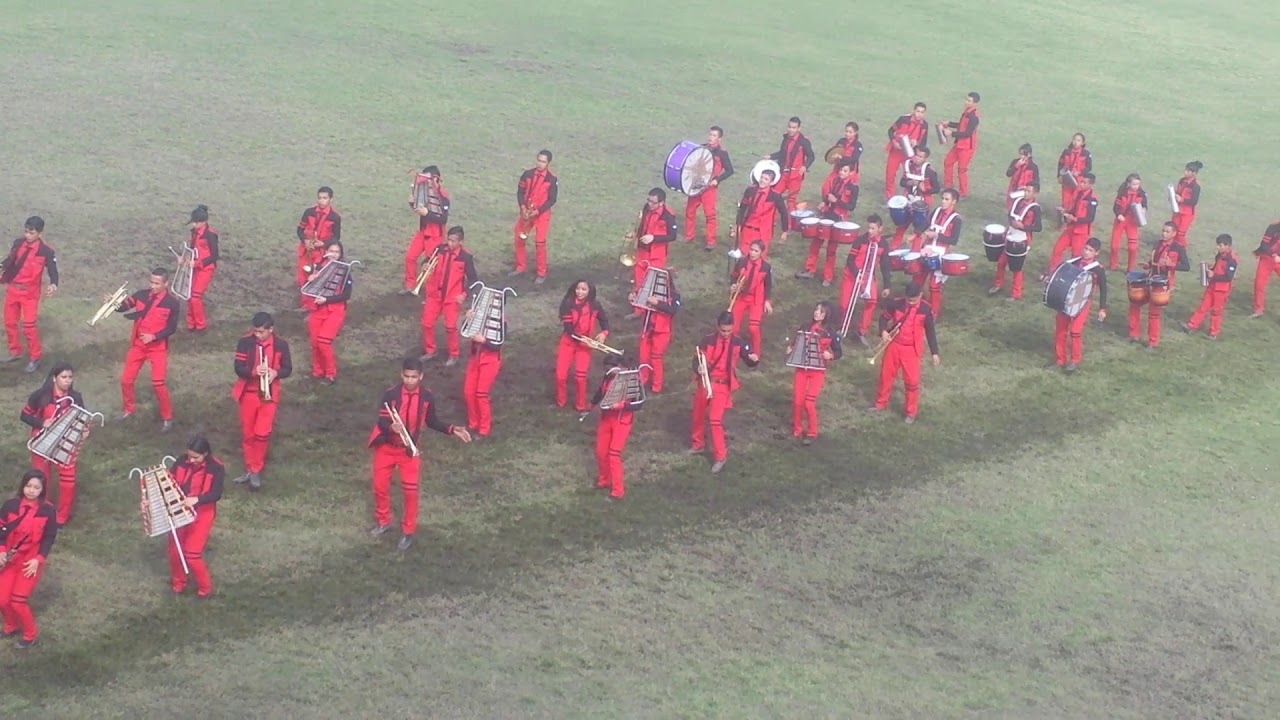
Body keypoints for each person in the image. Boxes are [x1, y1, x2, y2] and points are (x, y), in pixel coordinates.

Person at [367, 357, 471, 551]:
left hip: (409, 451)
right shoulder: (390, 394)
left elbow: (431, 421)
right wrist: (391, 426)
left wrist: (451, 429)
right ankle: (383, 521)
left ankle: (408, 531)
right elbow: (381, 421)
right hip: (386, 448)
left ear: (421, 377)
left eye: (413, 377)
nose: (409, 380)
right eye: (406, 376)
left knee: (410, 492)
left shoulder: (427, 397)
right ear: (401, 375)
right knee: (380, 487)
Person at [689, 311, 760, 473]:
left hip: (722, 386)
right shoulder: (707, 340)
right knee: (698, 414)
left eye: (729, 330)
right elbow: (697, 359)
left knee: (714, 419)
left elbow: (749, 359)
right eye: (723, 331)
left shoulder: (738, 343)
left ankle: (721, 455)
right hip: (706, 382)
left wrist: (754, 360)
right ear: (718, 327)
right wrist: (698, 368)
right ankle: (697, 444)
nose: (726, 334)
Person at [230, 312, 291, 491]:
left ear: (271, 330)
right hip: (248, 393)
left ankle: (256, 468)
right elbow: (238, 368)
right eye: (255, 331)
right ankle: (250, 468)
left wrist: (275, 373)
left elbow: (288, 368)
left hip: (268, 394)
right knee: (248, 434)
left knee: (262, 433)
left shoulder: (281, 345)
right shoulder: (245, 342)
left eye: (261, 332)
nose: (258, 335)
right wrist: (254, 371)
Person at [20, 364, 87, 526]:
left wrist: (84, 430)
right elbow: (24, 415)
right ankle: (43, 508)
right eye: (64, 377)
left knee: (67, 480)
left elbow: (82, 418)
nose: (67, 381)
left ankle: (62, 516)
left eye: (70, 377)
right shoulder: (40, 396)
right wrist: (42, 422)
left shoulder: (76, 398)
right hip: (42, 440)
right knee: (42, 477)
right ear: (54, 378)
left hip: (66, 442)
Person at [117, 268, 179, 432]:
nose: (153, 286)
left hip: (157, 349)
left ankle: (167, 418)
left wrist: (155, 336)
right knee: (126, 380)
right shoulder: (141, 295)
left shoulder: (172, 303)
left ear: (166, 284)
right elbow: (123, 307)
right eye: (152, 282)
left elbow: (172, 328)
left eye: (157, 283)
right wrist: (114, 303)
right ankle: (128, 409)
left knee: (158, 384)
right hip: (138, 346)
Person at [0, 469, 57, 648]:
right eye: (28, 486)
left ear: (42, 490)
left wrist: (38, 559)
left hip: (30, 562)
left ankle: (30, 635)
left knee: (17, 601)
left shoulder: (48, 511)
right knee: (2, 599)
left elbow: (49, 537)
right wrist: (1, 551)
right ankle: (11, 626)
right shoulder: (10, 505)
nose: (31, 490)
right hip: (10, 559)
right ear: (23, 486)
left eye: (36, 487)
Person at [870, 282, 940, 423]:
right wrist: (883, 331)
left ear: (920, 295)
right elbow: (884, 318)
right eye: (909, 300)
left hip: (911, 349)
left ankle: (910, 412)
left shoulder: (926, 310)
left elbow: (930, 331)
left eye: (914, 300)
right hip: (894, 345)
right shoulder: (896, 304)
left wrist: (935, 353)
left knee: (912, 382)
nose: (911, 302)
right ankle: (880, 404)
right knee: (886, 376)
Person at [166, 434, 224, 598]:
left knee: (192, 554)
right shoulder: (181, 461)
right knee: (175, 551)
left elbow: (216, 494)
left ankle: (205, 589)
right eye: (189, 456)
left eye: (195, 457)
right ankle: (179, 583)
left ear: (205, 454)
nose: (191, 460)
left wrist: (197, 499)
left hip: (202, 514)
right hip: (179, 511)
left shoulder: (216, 467)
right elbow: (170, 481)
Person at [0, 216, 58, 374]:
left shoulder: (46, 251)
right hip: (13, 290)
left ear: (39, 233)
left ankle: (35, 357)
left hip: (29, 294)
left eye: (31, 233)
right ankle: (15, 351)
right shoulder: (18, 243)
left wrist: (54, 283)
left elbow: (52, 269)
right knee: (10, 322)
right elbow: (11, 260)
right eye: (26, 232)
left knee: (29, 326)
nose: (27, 236)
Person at [420, 226, 478, 367]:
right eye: (449, 239)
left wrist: (464, 294)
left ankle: (454, 354)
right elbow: (427, 260)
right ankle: (430, 350)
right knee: (426, 323)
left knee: (451, 327)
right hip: (435, 295)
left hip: (452, 298)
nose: (450, 243)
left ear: (460, 241)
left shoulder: (466, 257)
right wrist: (425, 265)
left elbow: (474, 280)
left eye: (453, 241)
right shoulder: (439, 249)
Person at [590, 355, 644, 500]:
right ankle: (604, 479)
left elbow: (639, 404)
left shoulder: (633, 382)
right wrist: (590, 406)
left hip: (622, 421)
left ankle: (618, 491)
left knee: (614, 454)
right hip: (606, 418)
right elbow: (600, 393)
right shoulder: (608, 377)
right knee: (601, 452)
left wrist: (622, 406)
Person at [1050, 238, 1108, 373]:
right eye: (1086, 249)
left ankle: (1075, 360)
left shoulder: (1098, 269)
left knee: (1075, 331)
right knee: (1060, 330)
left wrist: (1102, 308)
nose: (1087, 253)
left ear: (1097, 253)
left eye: (1091, 251)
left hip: (1083, 303)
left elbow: (1103, 289)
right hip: (1066, 299)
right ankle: (1060, 360)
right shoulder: (1074, 262)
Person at [1128, 223, 1189, 350]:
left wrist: (1172, 264)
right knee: (1135, 304)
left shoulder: (1178, 248)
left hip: (1163, 284)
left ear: (1174, 233)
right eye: (1163, 231)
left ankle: (1153, 342)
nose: (1164, 234)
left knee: (1154, 313)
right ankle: (1134, 334)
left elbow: (1186, 266)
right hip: (1150, 278)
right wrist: (1148, 265)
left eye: (1167, 232)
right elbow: (1155, 260)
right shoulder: (1158, 243)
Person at [797, 159, 858, 286]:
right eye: (841, 170)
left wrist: (836, 201)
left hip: (838, 218)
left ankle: (828, 277)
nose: (841, 172)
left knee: (831, 249)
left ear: (851, 172)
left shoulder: (853, 187)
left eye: (845, 170)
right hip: (827, 214)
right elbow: (829, 195)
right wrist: (825, 201)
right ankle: (810, 269)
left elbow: (851, 206)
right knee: (816, 243)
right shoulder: (835, 181)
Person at [788, 301, 842, 444]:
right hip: (801, 368)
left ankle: (812, 432)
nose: (817, 312)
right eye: (816, 309)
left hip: (817, 371)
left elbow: (838, 352)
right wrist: (791, 347)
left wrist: (830, 356)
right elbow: (796, 341)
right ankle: (797, 429)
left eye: (821, 311)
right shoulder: (805, 326)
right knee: (798, 401)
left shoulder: (830, 331)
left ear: (826, 315)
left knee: (809, 402)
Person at [555, 280, 610, 412]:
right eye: (578, 289)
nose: (579, 292)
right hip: (569, 342)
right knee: (560, 375)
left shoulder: (595, 305)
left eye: (583, 289)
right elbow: (568, 329)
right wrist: (583, 340)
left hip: (584, 344)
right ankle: (560, 401)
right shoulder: (567, 304)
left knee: (581, 377)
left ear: (589, 291)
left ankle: (580, 405)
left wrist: (604, 333)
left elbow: (604, 320)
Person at [839, 215, 893, 346]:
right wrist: (857, 274)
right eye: (869, 228)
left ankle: (861, 331)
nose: (870, 231)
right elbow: (850, 260)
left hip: (868, 277)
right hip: (852, 275)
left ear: (880, 228)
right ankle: (840, 328)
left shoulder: (883, 245)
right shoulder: (860, 240)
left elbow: (885, 266)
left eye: (873, 228)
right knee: (844, 304)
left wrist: (887, 285)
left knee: (871, 301)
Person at [910, 189, 962, 319]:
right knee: (918, 279)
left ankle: (933, 313)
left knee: (934, 285)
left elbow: (953, 240)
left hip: (941, 253)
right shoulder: (936, 211)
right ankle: (914, 306)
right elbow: (925, 225)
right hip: (927, 249)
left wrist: (937, 236)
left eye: (947, 199)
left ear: (953, 202)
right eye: (943, 198)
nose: (943, 201)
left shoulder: (956, 219)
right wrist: (915, 234)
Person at [305, 241, 352, 383]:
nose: (333, 254)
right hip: (317, 309)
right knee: (314, 343)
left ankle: (330, 374)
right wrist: (310, 280)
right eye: (331, 251)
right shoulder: (318, 267)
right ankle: (317, 371)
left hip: (335, 310)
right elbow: (309, 289)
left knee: (323, 342)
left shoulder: (345, 271)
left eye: (337, 252)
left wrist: (327, 299)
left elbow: (346, 295)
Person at [511, 150, 558, 284]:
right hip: (527, 212)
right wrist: (523, 208)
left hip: (541, 214)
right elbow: (520, 192)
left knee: (540, 242)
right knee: (519, 237)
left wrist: (537, 211)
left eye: (543, 162)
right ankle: (521, 267)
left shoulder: (552, 179)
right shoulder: (527, 174)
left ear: (548, 163)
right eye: (539, 160)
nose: (540, 164)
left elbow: (552, 200)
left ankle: (541, 273)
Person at [990, 182, 1043, 300]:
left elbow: (1038, 227)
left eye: (1029, 191)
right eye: (1025, 191)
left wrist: (1023, 227)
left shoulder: (1035, 208)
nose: (1026, 193)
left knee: (1016, 267)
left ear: (1035, 194)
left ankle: (1016, 293)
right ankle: (998, 284)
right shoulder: (1018, 201)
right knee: (1001, 262)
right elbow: (1010, 213)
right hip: (1011, 234)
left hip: (1023, 238)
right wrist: (1012, 222)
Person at [401, 166, 450, 295]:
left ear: (435, 179)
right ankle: (410, 285)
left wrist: (427, 213)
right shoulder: (424, 192)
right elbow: (419, 208)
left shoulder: (443, 196)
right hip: (423, 232)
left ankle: (431, 292)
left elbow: (443, 219)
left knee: (430, 265)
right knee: (410, 257)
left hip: (435, 235)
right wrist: (412, 204)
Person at [684, 126, 734, 250]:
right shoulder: (701, 148)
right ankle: (689, 236)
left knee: (709, 214)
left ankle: (710, 241)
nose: (711, 138)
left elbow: (730, 170)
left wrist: (717, 180)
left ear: (720, 138)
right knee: (690, 211)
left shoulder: (722, 153)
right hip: (697, 185)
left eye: (714, 136)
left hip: (709, 189)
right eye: (710, 134)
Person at [1181, 234, 1238, 340]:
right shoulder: (1220, 255)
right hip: (1212, 286)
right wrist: (1209, 270)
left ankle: (1213, 332)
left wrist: (1213, 275)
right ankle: (1191, 326)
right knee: (1203, 307)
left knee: (1216, 311)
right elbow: (1217, 268)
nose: (1218, 247)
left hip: (1221, 290)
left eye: (1220, 245)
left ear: (1227, 246)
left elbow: (1228, 277)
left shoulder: (1232, 260)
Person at [462, 303, 505, 440]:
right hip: (475, 358)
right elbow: (466, 331)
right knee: (468, 392)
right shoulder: (479, 315)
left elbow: (497, 345)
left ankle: (484, 428)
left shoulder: (502, 321)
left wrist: (484, 341)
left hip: (490, 361)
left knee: (481, 393)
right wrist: (467, 319)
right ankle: (473, 423)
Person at [635, 268, 681, 393]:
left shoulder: (674, 295)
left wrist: (658, 303)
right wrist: (633, 297)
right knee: (643, 356)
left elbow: (673, 310)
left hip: (662, 332)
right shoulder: (649, 290)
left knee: (656, 358)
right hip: (648, 328)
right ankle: (643, 379)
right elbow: (639, 301)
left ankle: (656, 385)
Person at [625, 188, 677, 299]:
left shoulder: (668, 215)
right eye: (648, 200)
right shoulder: (646, 208)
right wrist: (635, 233)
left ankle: (649, 311)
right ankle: (638, 310)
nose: (650, 204)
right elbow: (643, 224)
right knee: (638, 280)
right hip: (642, 251)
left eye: (653, 202)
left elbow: (673, 236)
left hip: (656, 254)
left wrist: (653, 238)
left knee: (651, 283)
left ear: (661, 202)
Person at [766, 116, 815, 232]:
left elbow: (811, 156)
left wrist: (804, 166)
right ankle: (771, 221)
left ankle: (789, 225)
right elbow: (782, 153)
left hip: (795, 176)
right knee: (774, 196)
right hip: (784, 174)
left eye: (794, 128)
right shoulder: (786, 139)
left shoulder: (804, 141)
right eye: (789, 127)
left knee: (791, 201)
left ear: (798, 128)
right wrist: (771, 157)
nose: (791, 130)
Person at [295, 186, 341, 310]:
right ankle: (305, 304)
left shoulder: (335, 217)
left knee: (317, 277)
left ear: (330, 199)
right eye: (319, 198)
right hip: (306, 251)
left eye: (324, 198)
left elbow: (336, 238)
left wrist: (323, 244)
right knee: (303, 277)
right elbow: (300, 229)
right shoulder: (309, 212)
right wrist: (305, 240)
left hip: (321, 253)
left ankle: (315, 305)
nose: (321, 201)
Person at [1045, 172, 1098, 276]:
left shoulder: (1092, 199)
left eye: (1084, 183)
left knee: (1076, 256)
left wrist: (1075, 219)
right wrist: (1066, 212)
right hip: (1071, 229)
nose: (1081, 184)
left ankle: (1071, 277)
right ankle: (1052, 273)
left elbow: (1090, 218)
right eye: (1081, 182)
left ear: (1090, 185)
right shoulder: (1079, 193)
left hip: (1081, 232)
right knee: (1057, 249)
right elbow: (1074, 209)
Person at [729, 170, 788, 258]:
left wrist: (785, 230)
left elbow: (783, 213)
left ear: (771, 182)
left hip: (762, 232)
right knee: (743, 256)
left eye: (766, 179)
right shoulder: (750, 190)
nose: (762, 180)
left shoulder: (775, 196)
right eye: (762, 177)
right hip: (748, 229)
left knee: (758, 257)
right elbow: (742, 209)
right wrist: (738, 225)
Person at [890, 147, 940, 250]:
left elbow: (937, 188)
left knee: (918, 229)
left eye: (920, 157)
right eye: (916, 155)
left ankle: (915, 251)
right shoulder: (909, 166)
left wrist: (925, 189)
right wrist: (910, 183)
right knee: (901, 226)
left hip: (922, 202)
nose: (917, 158)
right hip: (908, 199)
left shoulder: (929, 171)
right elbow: (902, 182)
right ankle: (893, 248)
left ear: (925, 158)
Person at [729, 240, 773, 353]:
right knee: (733, 327)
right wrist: (733, 285)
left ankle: (756, 353)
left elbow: (768, 285)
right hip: (741, 297)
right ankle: (733, 349)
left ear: (761, 252)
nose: (752, 253)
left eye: (756, 251)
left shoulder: (765, 267)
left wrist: (767, 300)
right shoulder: (742, 262)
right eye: (751, 250)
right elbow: (733, 276)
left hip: (756, 299)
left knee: (753, 328)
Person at [183, 205, 219, 332]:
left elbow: (214, 256)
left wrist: (198, 263)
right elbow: (192, 249)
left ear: (202, 222)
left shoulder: (210, 235)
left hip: (206, 268)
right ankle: (191, 324)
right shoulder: (195, 232)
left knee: (195, 296)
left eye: (195, 222)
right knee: (189, 295)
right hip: (196, 267)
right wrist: (184, 259)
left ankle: (200, 325)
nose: (193, 224)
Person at [884, 102, 929, 201]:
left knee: (910, 175)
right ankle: (889, 197)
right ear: (913, 111)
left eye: (922, 112)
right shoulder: (903, 119)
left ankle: (907, 197)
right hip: (896, 151)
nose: (919, 114)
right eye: (917, 111)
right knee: (890, 175)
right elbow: (890, 131)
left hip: (910, 153)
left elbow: (923, 144)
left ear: (925, 113)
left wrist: (916, 143)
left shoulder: (924, 125)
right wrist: (894, 142)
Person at [941, 91, 981, 197]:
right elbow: (962, 125)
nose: (966, 102)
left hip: (967, 147)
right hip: (960, 144)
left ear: (975, 103)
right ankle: (948, 186)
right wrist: (949, 123)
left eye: (969, 101)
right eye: (966, 99)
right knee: (948, 162)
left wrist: (951, 133)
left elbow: (968, 133)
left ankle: (963, 192)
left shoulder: (973, 117)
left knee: (961, 170)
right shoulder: (968, 112)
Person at [1109, 174, 1149, 271]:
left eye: (1138, 184)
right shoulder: (1122, 193)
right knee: (1114, 245)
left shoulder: (1142, 194)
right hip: (1121, 220)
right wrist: (1118, 215)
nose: (1136, 186)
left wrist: (1143, 210)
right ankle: (1113, 265)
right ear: (1128, 184)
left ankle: (1130, 268)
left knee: (1132, 247)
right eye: (1134, 184)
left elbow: (1144, 205)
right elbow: (1116, 207)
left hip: (1132, 222)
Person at [1056, 133, 1092, 217]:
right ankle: (1063, 221)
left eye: (1078, 141)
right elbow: (1060, 164)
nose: (1076, 142)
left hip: (1079, 181)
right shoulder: (1066, 152)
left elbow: (1089, 167)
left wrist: (1079, 172)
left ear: (1082, 143)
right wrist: (1059, 176)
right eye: (1075, 140)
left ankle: (1074, 218)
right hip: (1067, 180)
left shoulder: (1086, 154)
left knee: (1076, 200)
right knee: (1066, 200)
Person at [1249, 220, 1280, 318]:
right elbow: (1264, 244)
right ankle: (1258, 310)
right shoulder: (1273, 227)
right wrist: (1274, 255)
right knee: (1259, 285)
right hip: (1267, 259)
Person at [1170, 161, 1203, 245]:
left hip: (1187, 213)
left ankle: (1182, 250)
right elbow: (1179, 192)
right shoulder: (1182, 181)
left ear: (1194, 173)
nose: (1185, 172)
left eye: (1188, 171)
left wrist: (1182, 200)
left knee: (1180, 234)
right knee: (1173, 231)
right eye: (1185, 170)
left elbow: (1194, 201)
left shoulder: (1195, 186)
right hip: (1178, 210)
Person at [1005, 144, 1039, 210]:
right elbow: (1008, 174)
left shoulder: (1033, 167)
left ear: (1029, 155)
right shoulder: (1015, 162)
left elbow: (1036, 182)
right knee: (1011, 209)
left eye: (1024, 154)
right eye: (1020, 154)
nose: (1022, 157)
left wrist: (1029, 190)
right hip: (1014, 190)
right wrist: (1016, 166)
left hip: (1025, 193)